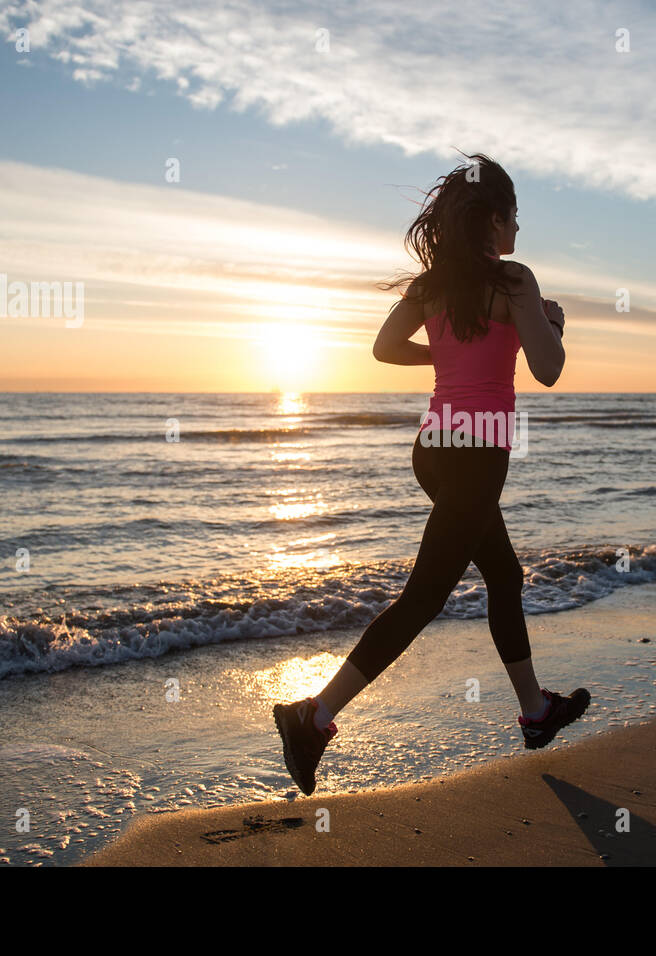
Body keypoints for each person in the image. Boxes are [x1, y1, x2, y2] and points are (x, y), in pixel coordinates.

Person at [273, 153, 589, 796]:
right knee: (424, 597)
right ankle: (313, 715)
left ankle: (535, 713)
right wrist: (551, 320)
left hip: (434, 448)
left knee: (504, 574)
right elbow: (550, 367)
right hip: (477, 455)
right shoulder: (515, 281)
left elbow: (384, 348)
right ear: (494, 220)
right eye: (516, 218)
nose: (519, 232)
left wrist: (446, 352)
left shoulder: (431, 285)